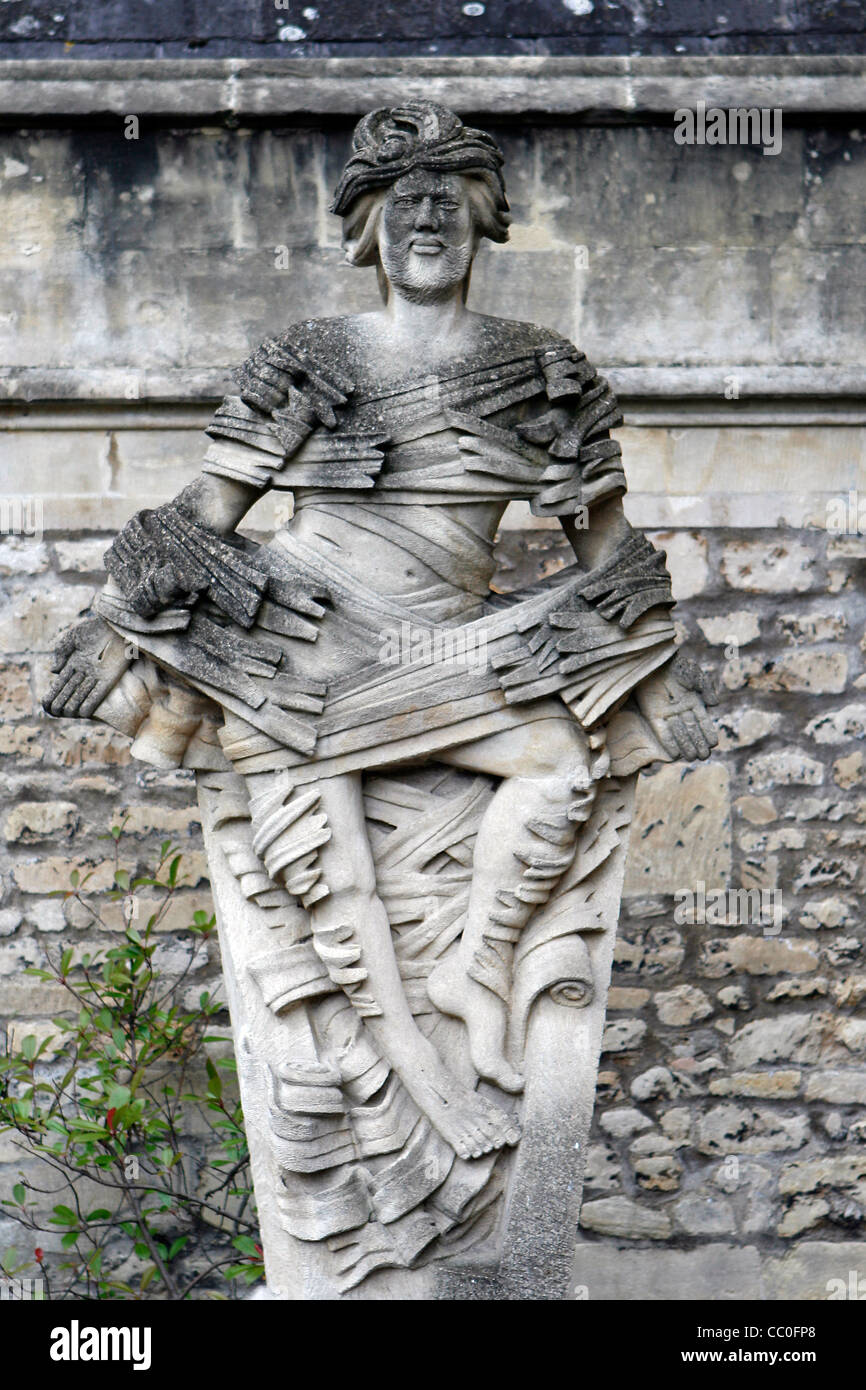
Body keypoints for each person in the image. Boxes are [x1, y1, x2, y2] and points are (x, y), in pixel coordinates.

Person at [45, 101, 717, 1164]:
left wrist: (664, 676)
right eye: (404, 203)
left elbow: (606, 549)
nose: (426, 223)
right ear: (365, 226)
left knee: (554, 761)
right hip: (305, 647)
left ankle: (476, 969)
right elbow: (200, 518)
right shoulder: (308, 359)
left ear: (484, 218)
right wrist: (112, 616)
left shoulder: (544, 373)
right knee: (333, 868)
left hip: (450, 642)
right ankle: (408, 1069)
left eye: (448, 203)